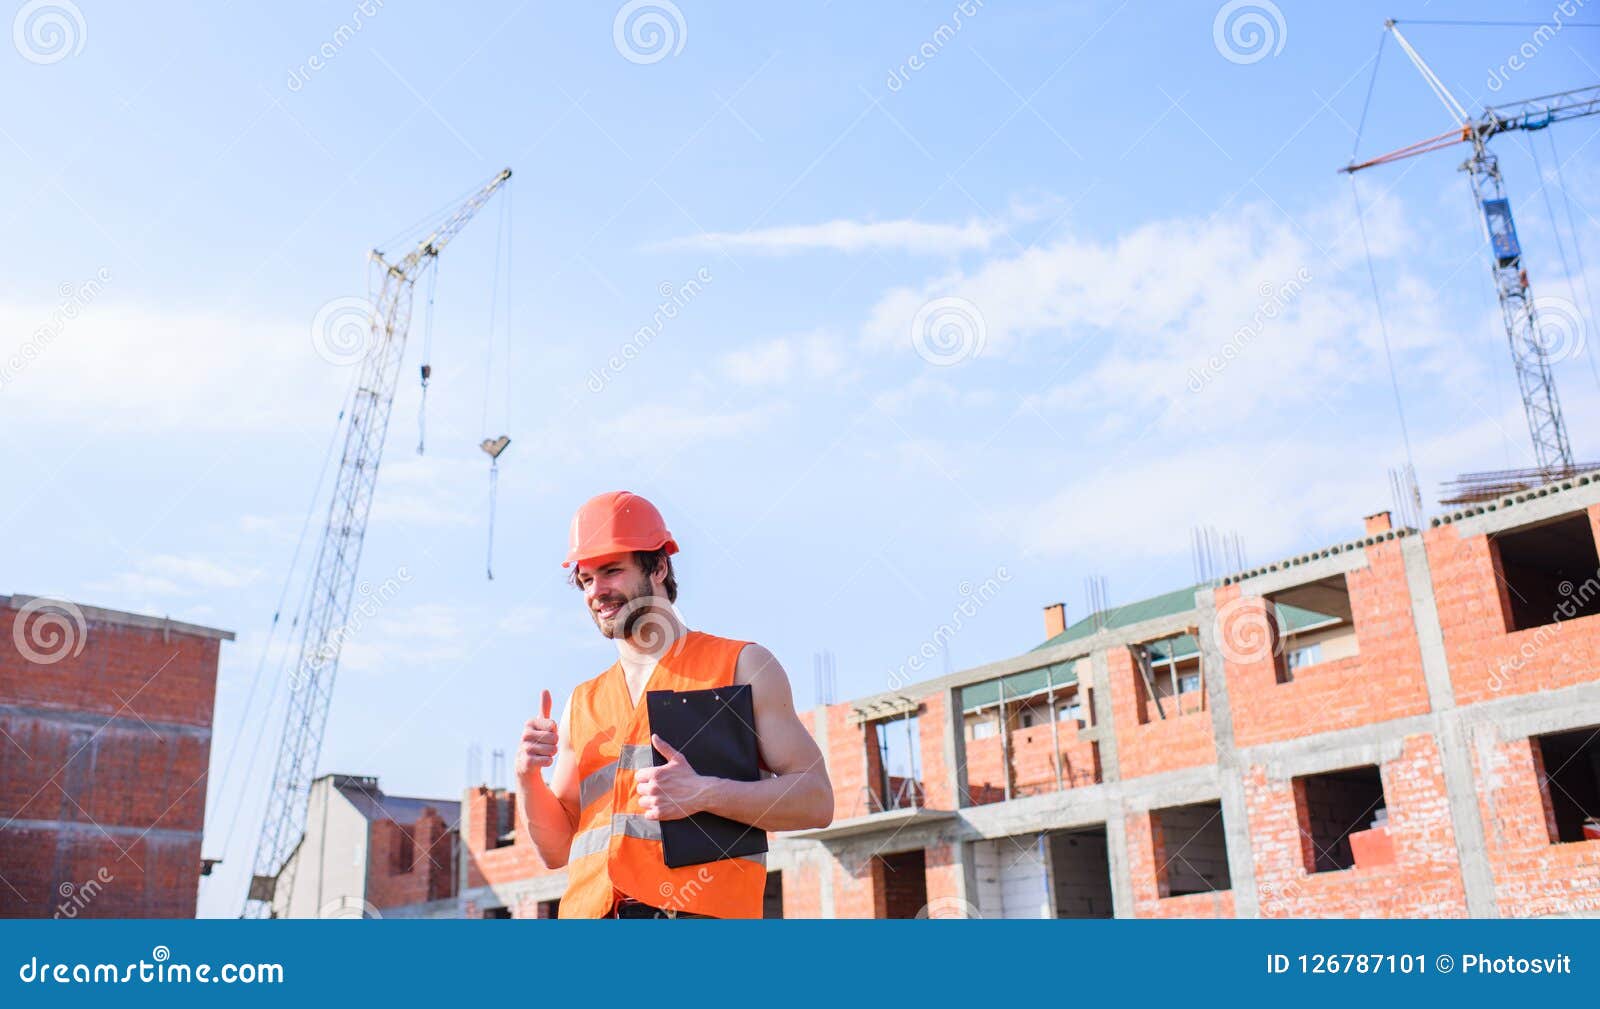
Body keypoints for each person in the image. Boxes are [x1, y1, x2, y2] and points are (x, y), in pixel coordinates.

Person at [515, 490, 834, 918]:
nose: (597, 591)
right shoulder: (582, 703)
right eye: (586, 580)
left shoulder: (741, 666)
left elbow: (816, 800)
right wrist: (528, 777)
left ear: (659, 566)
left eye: (612, 571)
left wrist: (706, 793)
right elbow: (556, 851)